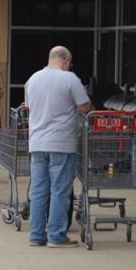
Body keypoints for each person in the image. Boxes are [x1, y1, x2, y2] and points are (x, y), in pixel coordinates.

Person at [24, 46, 91, 247]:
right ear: (65, 60)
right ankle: (56, 235)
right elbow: (84, 105)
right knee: (60, 190)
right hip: (62, 142)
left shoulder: (33, 79)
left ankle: (36, 235)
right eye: (69, 63)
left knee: (38, 190)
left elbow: (28, 105)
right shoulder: (70, 79)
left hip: (37, 142)